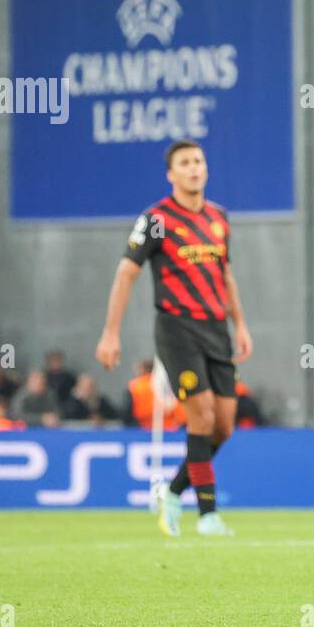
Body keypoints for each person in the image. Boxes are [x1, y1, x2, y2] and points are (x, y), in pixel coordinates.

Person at [96, 140, 254, 538]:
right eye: (184, 163)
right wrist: (111, 333)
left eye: (198, 160)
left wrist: (242, 325)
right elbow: (125, 273)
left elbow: (227, 276)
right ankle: (208, 515)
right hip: (177, 328)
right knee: (199, 414)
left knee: (223, 426)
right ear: (171, 174)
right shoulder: (156, 220)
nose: (194, 168)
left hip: (217, 328)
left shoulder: (219, 217)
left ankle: (172, 491)